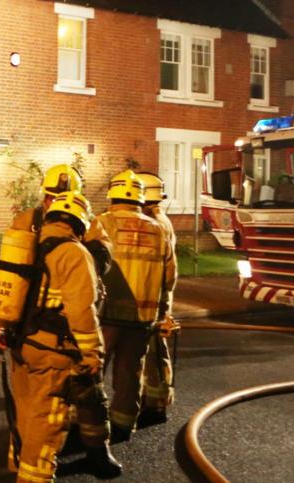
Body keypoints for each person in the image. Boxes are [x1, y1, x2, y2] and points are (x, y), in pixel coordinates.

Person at [9, 165, 120, 477]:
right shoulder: (28, 222)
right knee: (42, 415)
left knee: (87, 400)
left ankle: (97, 452)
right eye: (52, 196)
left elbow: (102, 260)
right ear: (44, 196)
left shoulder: (89, 226)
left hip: (30, 336)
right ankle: (32, 467)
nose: (53, 202)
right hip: (56, 337)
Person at [97, 170, 174, 443]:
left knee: (92, 372)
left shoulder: (99, 224)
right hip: (143, 318)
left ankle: (88, 427)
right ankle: (123, 425)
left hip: (105, 317)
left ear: (113, 196)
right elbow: (169, 277)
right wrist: (163, 313)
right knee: (131, 373)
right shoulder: (158, 230)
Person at [135, 172, 177, 425]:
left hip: (154, 301)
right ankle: (150, 399)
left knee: (155, 355)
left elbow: (167, 272)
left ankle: (157, 404)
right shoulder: (158, 221)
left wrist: (164, 311)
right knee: (149, 354)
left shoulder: (158, 225)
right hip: (154, 299)